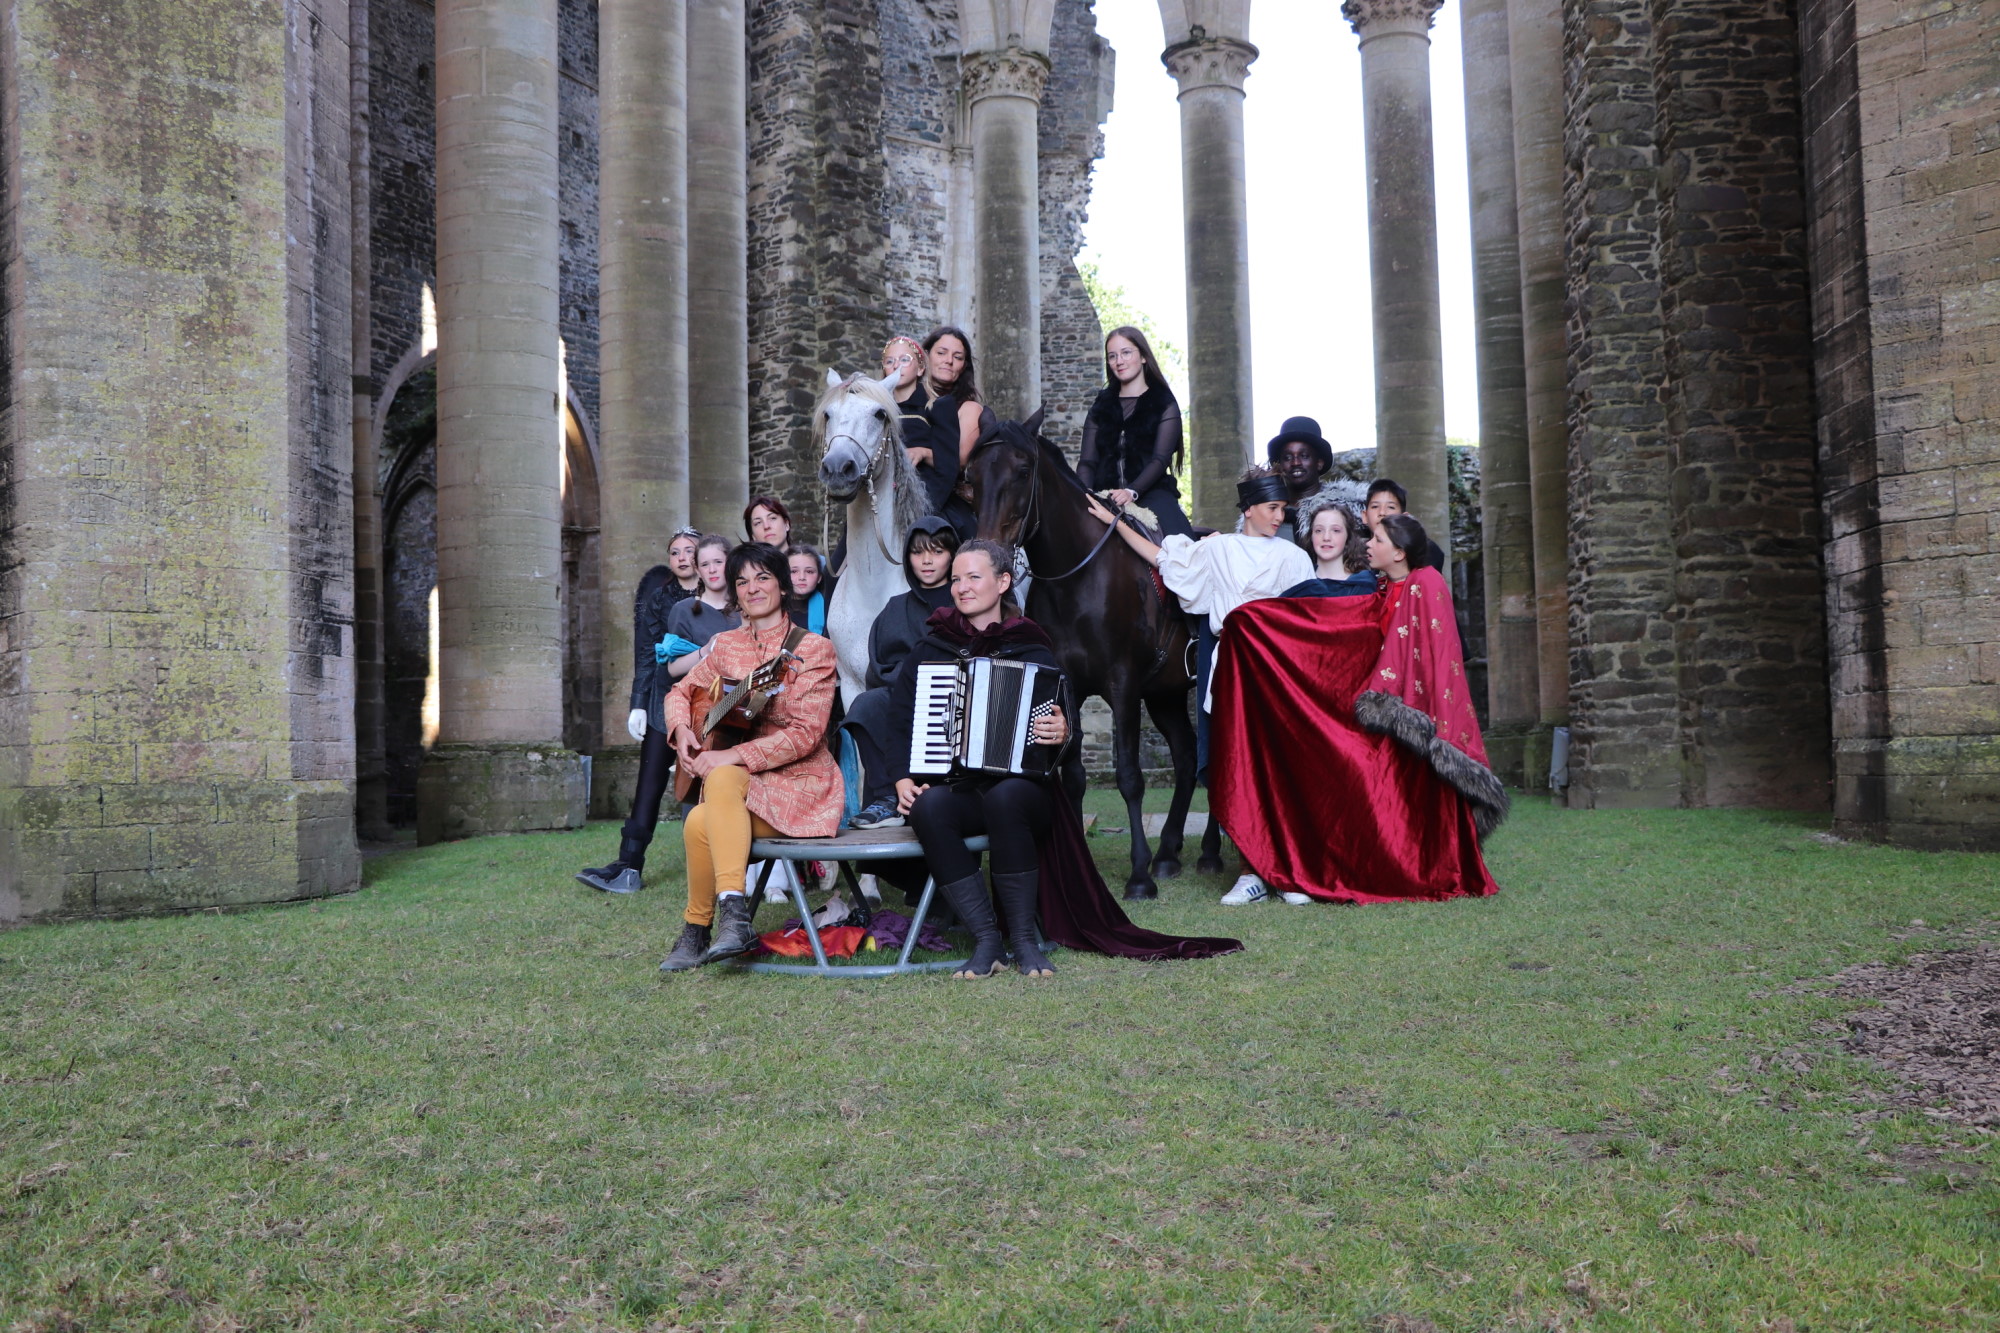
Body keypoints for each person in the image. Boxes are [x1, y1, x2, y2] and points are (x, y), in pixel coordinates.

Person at [882, 540, 1242, 976]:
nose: (961, 587)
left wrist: (1062, 731)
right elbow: (900, 716)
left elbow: (1064, 722)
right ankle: (986, 941)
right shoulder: (934, 649)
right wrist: (903, 778)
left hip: (1024, 794)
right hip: (960, 787)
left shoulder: (1031, 646)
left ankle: (1024, 940)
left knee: (1006, 798)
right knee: (930, 806)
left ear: (1002, 582)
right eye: (956, 579)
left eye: (973, 577)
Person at [1208, 512, 1505, 903]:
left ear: (1399, 552)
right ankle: (1287, 869)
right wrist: (1254, 621)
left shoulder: (1424, 582)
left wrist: (1406, 714)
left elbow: (1436, 661)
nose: (1368, 544)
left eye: (1377, 539)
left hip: (1414, 716)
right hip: (1385, 708)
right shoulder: (1384, 587)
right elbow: (1342, 624)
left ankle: (1404, 868)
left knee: (1368, 771)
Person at [1088, 465, 1312, 905]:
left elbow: (1307, 617)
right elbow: (1160, 558)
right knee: (1239, 770)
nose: (1279, 517)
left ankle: (1283, 871)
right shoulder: (1218, 550)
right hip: (1232, 670)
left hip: (1275, 671)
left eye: (1282, 508)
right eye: (1272, 508)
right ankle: (1251, 872)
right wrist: (1110, 522)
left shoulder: (1293, 558)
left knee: (1277, 771)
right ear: (1248, 509)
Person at [658, 543, 844, 972]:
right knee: (702, 813)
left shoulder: (813, 650)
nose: (752, 588)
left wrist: (730, 756)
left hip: (801, 786)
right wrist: (683, 729)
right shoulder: (724, 645)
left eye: (762, 577)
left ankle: (704, 925)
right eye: (742, 581)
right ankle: (722, 922)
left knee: (706, 810)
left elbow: (806, 735)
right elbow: (679, 691)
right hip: (742, 789)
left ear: (782, 584)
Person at [842, 516, 960, 830]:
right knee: (866, 704)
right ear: (907, 558)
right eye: (918, 552)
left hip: (956, 699)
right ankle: (886, 798)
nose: (927, 560)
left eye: (937, 551)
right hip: (903, 700)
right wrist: (912, 685)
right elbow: (879, 668)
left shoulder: (967, 602)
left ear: (952, 556)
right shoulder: (895, 609)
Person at [574, 560, 684, 895]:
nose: (684, 558)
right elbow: (648, 652)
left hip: (710, 702)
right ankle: (629, 866)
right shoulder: (660, 592)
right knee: (648, 784)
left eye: (691, 552)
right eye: (676, 551)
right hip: (664, 700)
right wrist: (639, 701)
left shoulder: (727, 598)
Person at [1077, 327, 1193, 538]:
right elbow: (1087, 462)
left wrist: (1131, 491)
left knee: (1183, 553)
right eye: (1112, 356)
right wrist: (1085, 494)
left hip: (1151, 494)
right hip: (1104, 493)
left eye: (1126, 353)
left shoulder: (1164, 404)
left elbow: (1159, 460)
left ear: (1143, 357)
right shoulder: (1100, 406)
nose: (1119, 361)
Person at [880, 335, 975, 539]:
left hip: (928, 497)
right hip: (881, 500)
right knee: (840, 560)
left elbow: (949, 467)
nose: (897, 365)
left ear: (921, 368)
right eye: (890, 361)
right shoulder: (877, 411)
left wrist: (924, 513)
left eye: (905, 359)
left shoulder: (939, 406)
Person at [663, 533, 740, 680]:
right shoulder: (683, 610)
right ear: (698, 570)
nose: (712, 570)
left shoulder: (745, 607)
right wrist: (706, 650)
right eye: (705, 564)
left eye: (718, 562)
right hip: (700, 697)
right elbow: (673, 668)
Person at [1364, 478, 1447, 573]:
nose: (1382, 513)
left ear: (1404, 518)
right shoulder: (1353, 551)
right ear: (1365, 516)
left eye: (1391, 507)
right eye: (1375, 506)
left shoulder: (1426, 550)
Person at [788, 543, 829, 636]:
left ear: (819, 577)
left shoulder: (830, 609)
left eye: (809, 571)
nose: (802, 577)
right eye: (794, 571)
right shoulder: (773, 607)